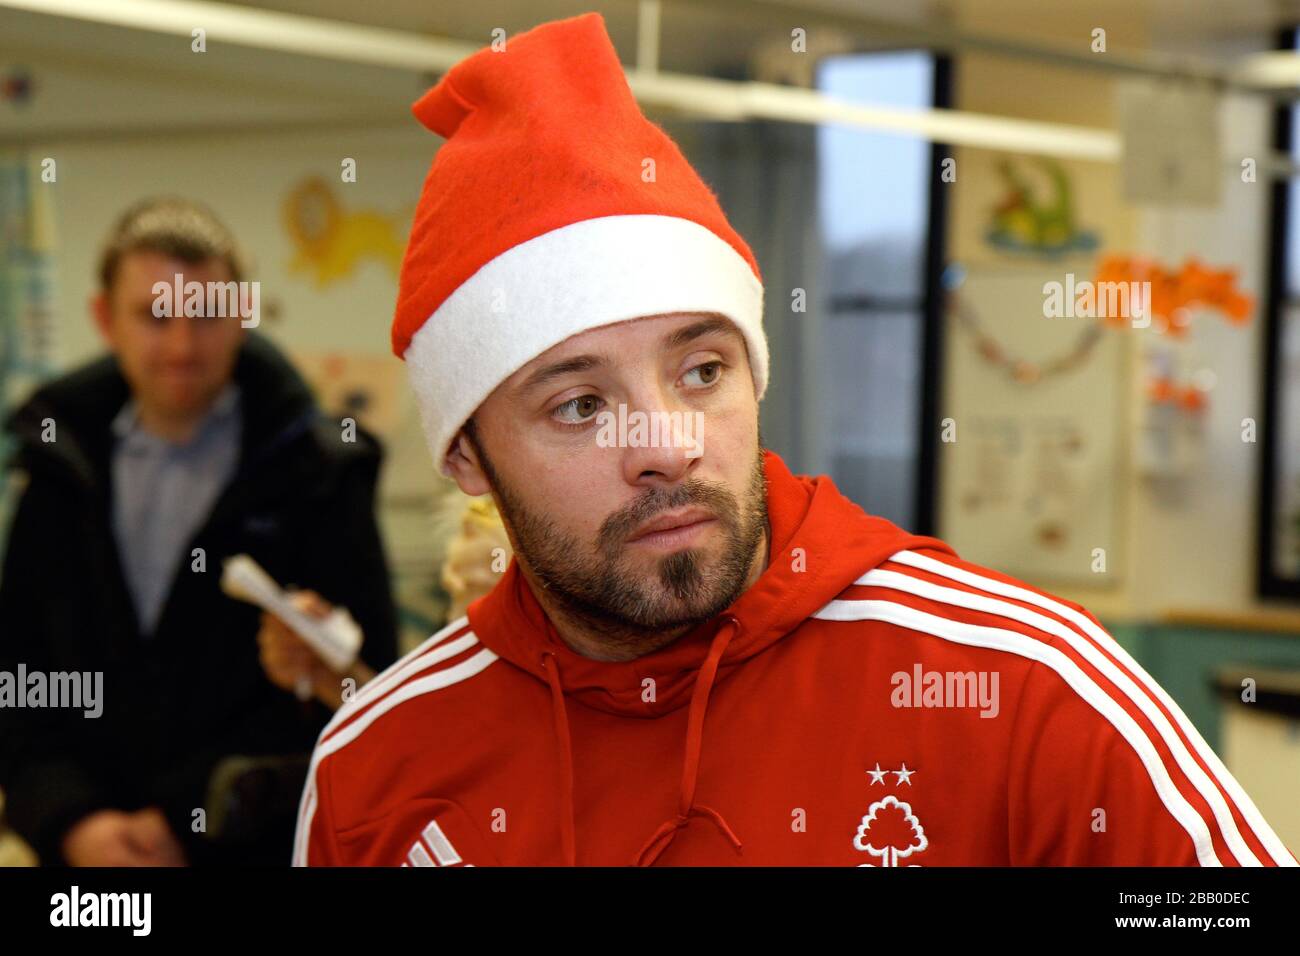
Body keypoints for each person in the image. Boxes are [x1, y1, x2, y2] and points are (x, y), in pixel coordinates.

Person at [294, 13, 1295, 867]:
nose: (668, 443)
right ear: (466, 456)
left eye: (701, 371)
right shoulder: (377, 767)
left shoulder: (1022, 685)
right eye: (579, 405)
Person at [0, 197, 396, 866]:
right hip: (85, 861)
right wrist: (72, 822)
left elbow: (365, 687)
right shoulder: (55, 469)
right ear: (106, 320)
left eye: (207, 315)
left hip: (253, 850)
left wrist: (183, 823)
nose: (183, 345)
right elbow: (18, 676)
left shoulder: (321, 475)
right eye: (155, 316)